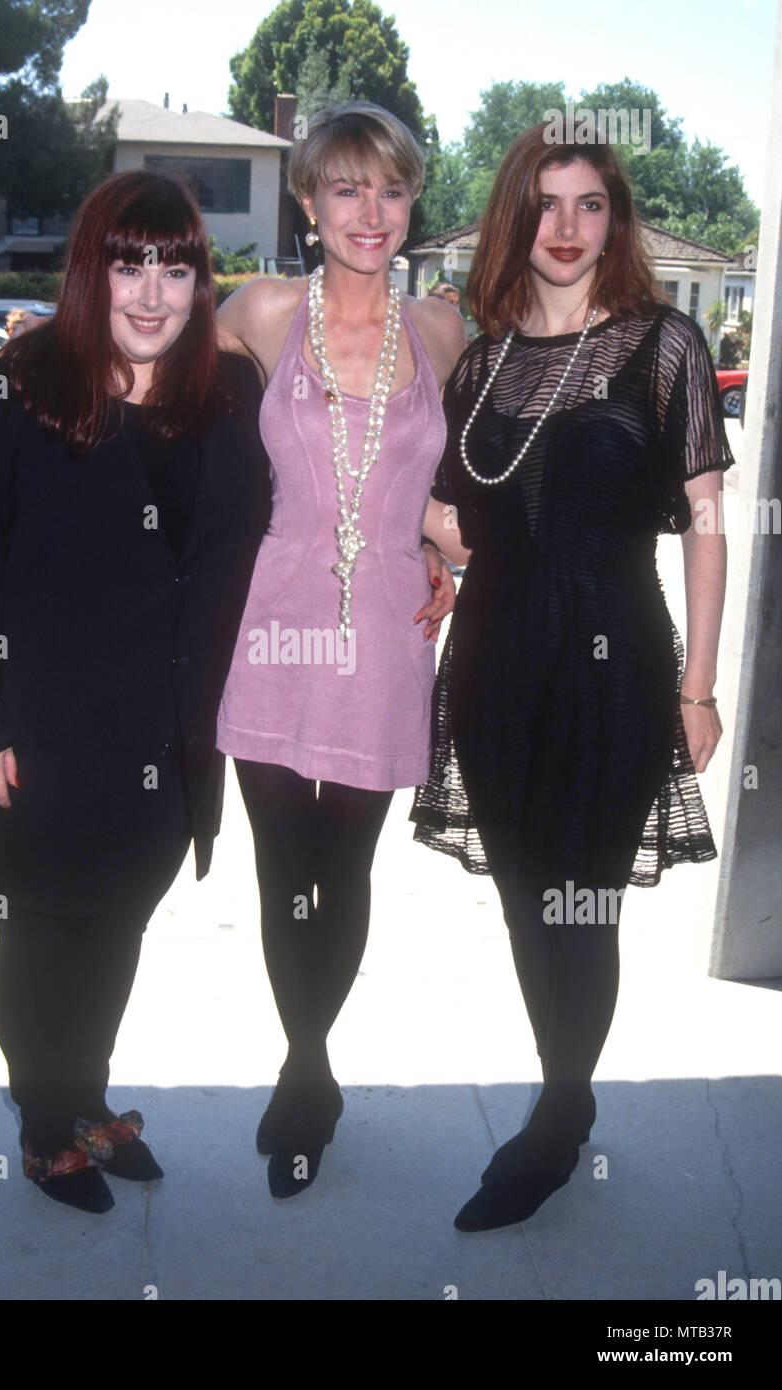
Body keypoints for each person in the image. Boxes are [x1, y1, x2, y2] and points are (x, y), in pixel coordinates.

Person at [0, 170, 272, 1214]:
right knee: (40, 932)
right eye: (126, 264)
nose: (151, 292)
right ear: (87, 272)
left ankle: (84, 1096)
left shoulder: (226, 396)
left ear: (202, 280)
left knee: (117, 926)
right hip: (34, 732)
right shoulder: (3, 393)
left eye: (176, 265)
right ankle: (42, 1120)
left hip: (164, 737)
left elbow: (268, 535)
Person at [412, 125, 730, 1231]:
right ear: (513, 215)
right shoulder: (481, 360)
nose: (565, 227)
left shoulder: (664, 347)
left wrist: (697, 688)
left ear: (616, 219)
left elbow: (702, 524)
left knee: (577, 906)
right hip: (494, 668)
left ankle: (555, 1118)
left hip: (614, 669)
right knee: (520, 901)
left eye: (589, 204)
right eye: (545, 204)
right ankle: (567, 1087)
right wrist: (430, 544)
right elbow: (445, 500)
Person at [216, 101, 464, 1198]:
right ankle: (304, 1069)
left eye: (393, 188)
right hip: (270, 618)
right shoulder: (261, 310)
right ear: (309, 204)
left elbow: (486, 464)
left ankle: (310, 1063)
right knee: (283, 870)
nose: (373, 211)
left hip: (385, 632)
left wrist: (451, 534)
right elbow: (145, 378)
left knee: (343, 865)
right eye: (348, 189)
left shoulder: (445, 330)